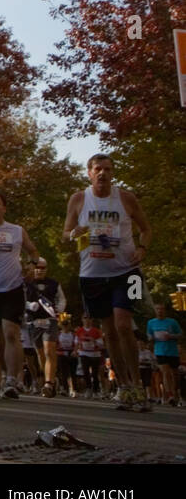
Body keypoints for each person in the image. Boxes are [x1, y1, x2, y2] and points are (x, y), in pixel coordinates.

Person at [63, 153, 154, 411]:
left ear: (112, 173)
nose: (102, 173)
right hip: (92, 274)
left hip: (127, 271)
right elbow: (65, 233)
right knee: (109, 331)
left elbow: (146, 229)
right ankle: (124, 386)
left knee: (124, 324)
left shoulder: (125, 198)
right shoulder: (79, 199)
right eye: (97, 169)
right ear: (89, 173)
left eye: (107, 169)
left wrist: (142, 249)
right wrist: (74, 234)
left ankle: (138, 386)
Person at [0, 189, 40, 399]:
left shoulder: (17, 231)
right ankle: (2, 373)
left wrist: (32, 266)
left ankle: (13, 379)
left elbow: (33, 251)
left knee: (11, 332)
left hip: (12, 288)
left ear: (4, 208)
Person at [22, 256, 66, 397]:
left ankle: (49, 383)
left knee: (49, 350)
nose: (39, 271)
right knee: (40, 354)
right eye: (37, 268)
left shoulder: (53, 284)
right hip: (33, 322)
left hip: (49, 321)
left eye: (42, 268)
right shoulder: (25, 283)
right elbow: (18, 299)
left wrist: (59, 309)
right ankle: (49, 377)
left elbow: (62, 299)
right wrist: (29, 305)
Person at [147, 301, 182, 406]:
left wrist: (171, 336)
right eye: (157, 309)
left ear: (165, 311)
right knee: (166, 373)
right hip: (160, 351)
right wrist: (152, 338)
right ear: (155, 311)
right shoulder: (151, 323)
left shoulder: (172, 322)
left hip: (172, 351)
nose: (160, 311)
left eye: (161, 309)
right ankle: (170, 395)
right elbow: (149, 335)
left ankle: (176, 394)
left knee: (174, 375)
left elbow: (180, 334)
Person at [75, 314, 106, 398]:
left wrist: (94, 341)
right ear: (82, 319)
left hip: (94, 354)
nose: (87, 320)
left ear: (92, 320)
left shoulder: (96, 331)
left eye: (89, 318)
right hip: (83, 353)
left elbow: (101, 344)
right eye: (85, 318)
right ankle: (88, 388)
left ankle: (96, 390)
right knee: (85, 372)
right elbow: (76, 342)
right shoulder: (79, 331)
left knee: (95, 373)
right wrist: (75, 351)